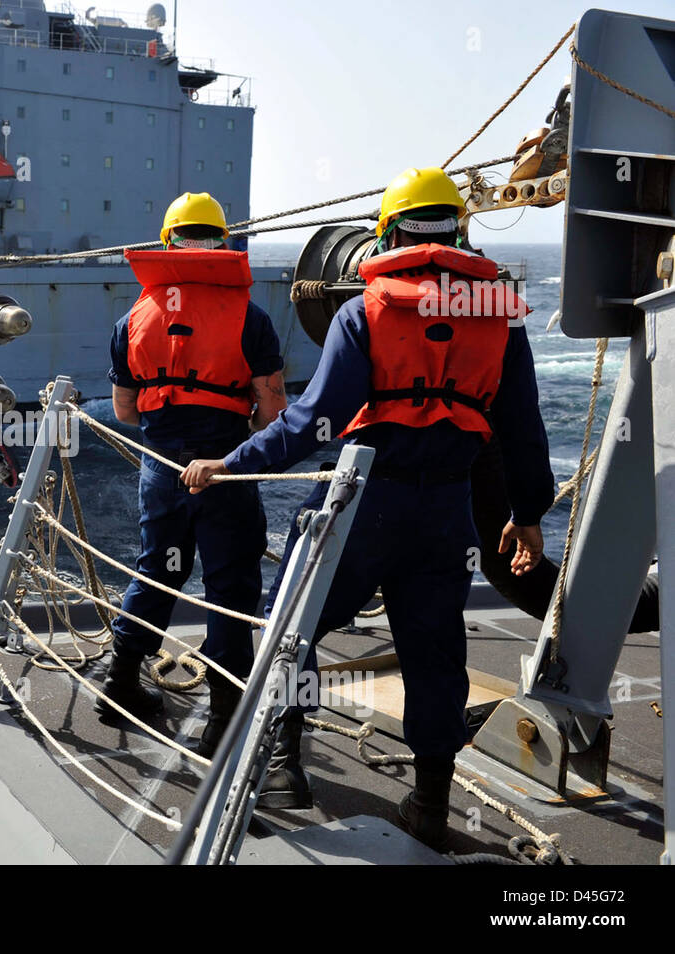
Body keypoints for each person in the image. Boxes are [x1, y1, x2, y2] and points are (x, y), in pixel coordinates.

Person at [181, 167, 555, 848]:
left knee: (292, 626)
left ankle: (286, 768)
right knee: (436, 655)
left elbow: (310, 422)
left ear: (386, 232)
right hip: (447, 513)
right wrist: (527, 516)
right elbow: (524, 430)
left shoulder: (366, 312)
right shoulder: (501, 321)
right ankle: (432, 805)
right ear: (460, 232)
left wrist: (230, 464)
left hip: (360, 504)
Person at [104, 191, 287, 757]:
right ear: (223, 244)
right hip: (224, 467)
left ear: (168, 245)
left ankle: (119, 684)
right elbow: (273, 412)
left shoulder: (134, 316)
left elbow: (124, 411)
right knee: (230, 587)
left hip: (161, 465)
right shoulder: (250, 319)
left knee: (156, 570)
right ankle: (223, 718)